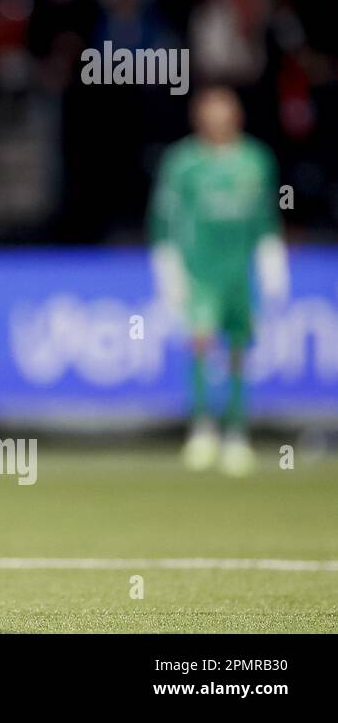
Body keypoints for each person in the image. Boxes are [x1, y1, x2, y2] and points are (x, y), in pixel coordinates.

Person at [149, 85, 288, 477]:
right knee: (200, 340)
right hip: (200, 272)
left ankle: (237, 433)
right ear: (198, 118)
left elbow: (265, 216)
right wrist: (168, 265)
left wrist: (272, 259)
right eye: (210, 112)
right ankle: (201, 428)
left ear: (236, 116)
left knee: (240, 347)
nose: (217, 119)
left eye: (224, 111)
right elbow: (164, 218)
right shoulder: (182, 162)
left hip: (239, 273)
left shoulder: (255, 159)